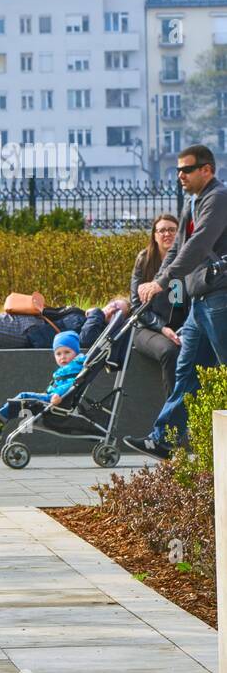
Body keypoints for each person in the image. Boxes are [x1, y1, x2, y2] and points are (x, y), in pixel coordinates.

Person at [127, 145, 227, 459]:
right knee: (187, 371)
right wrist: (159, 280)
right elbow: (177, 248)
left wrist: (162, 281)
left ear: (206, 170)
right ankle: (165, 440)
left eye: (186, 169)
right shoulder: (193, 202)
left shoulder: (218, 198)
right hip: (200, 300)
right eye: (178, 170)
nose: (180, 175)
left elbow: (199, 243)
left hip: (220, 296)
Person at [0, 331, 86, 440]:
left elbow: (71, 384)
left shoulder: (74, 367)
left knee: (23, 397)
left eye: (67, 352)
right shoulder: (69, 367)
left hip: (57, 399)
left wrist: (57, 394)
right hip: (53, 397)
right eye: (58, 354)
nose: (62, 357)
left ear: (76, 353)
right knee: (22, 401)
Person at [128, 214, 188, 399]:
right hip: (148, 327)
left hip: (181, 327)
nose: (167, 234)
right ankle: (174, 410)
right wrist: (162, 328)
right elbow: (136, 306)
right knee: (170, 351)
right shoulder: (144, 260)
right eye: (162, 230)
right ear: (154, 235)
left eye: (172, 230)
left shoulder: (187, 259)